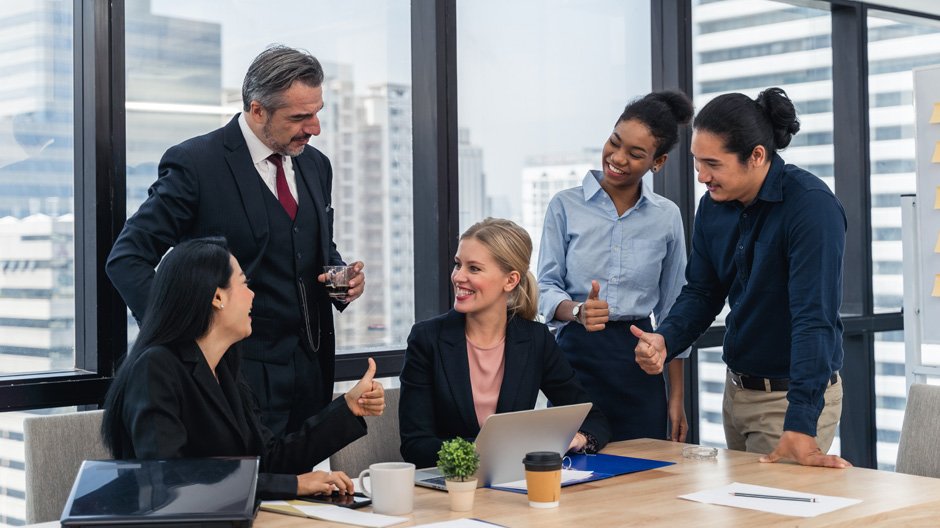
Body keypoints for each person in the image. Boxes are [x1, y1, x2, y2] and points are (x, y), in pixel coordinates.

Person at [106, 45, 363, 437]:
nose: (314, 128)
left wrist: (340, 279)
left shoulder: (316, 165)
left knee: (303, 492)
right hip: (231, 377)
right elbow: (127, 258)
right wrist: (182, 334)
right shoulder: (196, 164)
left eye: (317, 112)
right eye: (299, 117)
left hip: (310, 373)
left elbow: (312, 248)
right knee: (244, 492)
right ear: (257, 109)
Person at [632, 87, 851, 468]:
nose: (702, 176)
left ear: (756, 156)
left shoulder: (811, 207)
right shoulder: (713, 207)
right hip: (737, 393)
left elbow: (813, 321)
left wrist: (800, 424)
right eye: (697, 162)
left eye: (713, 164)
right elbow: (702, 290)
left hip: (790, 402)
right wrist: (665, 339)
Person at [101, 238, 386, 499]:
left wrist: (348, 407)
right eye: (244, 284)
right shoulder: (155, 368)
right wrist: (295, 485)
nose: (252, 296)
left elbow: (269, 459)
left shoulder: (225, 369)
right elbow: (171, 479)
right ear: (217, 297)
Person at [537, 91, 692, 442]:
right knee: (573, 475)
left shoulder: (667, 217)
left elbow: (674, 309)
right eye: (615, 142)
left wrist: (677, 397)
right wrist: (576, 310)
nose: (617, 158)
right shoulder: (564, 206)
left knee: (643, 479)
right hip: (575, 360)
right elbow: (545, 287)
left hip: (640, 362)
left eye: (636, 154)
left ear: (659, 161)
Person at [399, 218, 611, 469]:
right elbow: (415, 445)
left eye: (474, 269)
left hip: (516, 486)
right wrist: (500, 452)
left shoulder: (536, 339)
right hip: (452, 488)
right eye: (458, 265)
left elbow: (593, 419)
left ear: (510, 280)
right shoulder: (427, 339)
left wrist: (576, 438)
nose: (458, 276)